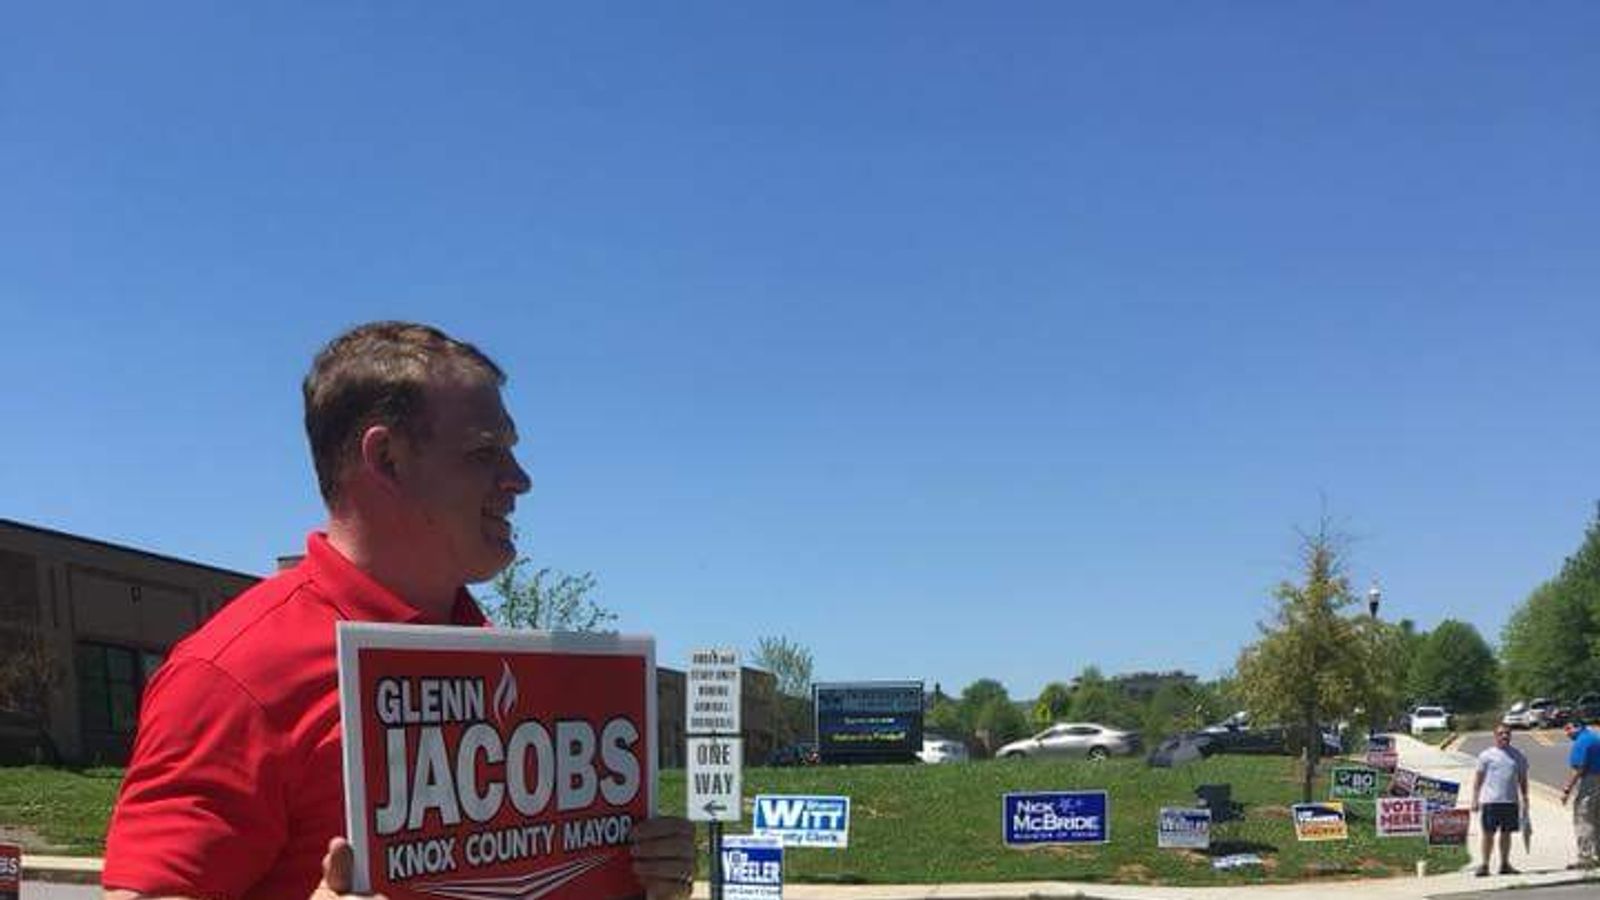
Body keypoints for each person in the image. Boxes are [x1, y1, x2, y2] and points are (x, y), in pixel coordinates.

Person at [103, 322, 694, 900]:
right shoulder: (235, 676)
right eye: (485, 453)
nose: (520, 481)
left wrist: (641, 872)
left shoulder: (508, 665)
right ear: (385, 459)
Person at [1470, 724, 1529, 876]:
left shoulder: (1518, 755)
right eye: (1501, 733)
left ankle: (1504, 864)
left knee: (1506, 833)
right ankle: (1484, 864)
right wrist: (1475, 799)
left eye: (1507, 733)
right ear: (1495, 736)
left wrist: (1525, 798)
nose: (1504, 736)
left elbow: (1522, 779)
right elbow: (1478, 779)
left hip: (1510, 801)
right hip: (1490, 801)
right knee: (1488, 834)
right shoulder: (1486, 755)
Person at [1561, 717, 1600, 869]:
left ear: (1578, 727)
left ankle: (1585, 857)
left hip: (1589, 781)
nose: (1567, 733)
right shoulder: (1595, 738)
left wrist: (1567, 790)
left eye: (1568, 729)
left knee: (1584, 818)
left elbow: (1579, 769)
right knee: (1597, 818)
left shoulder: (1582, 741)